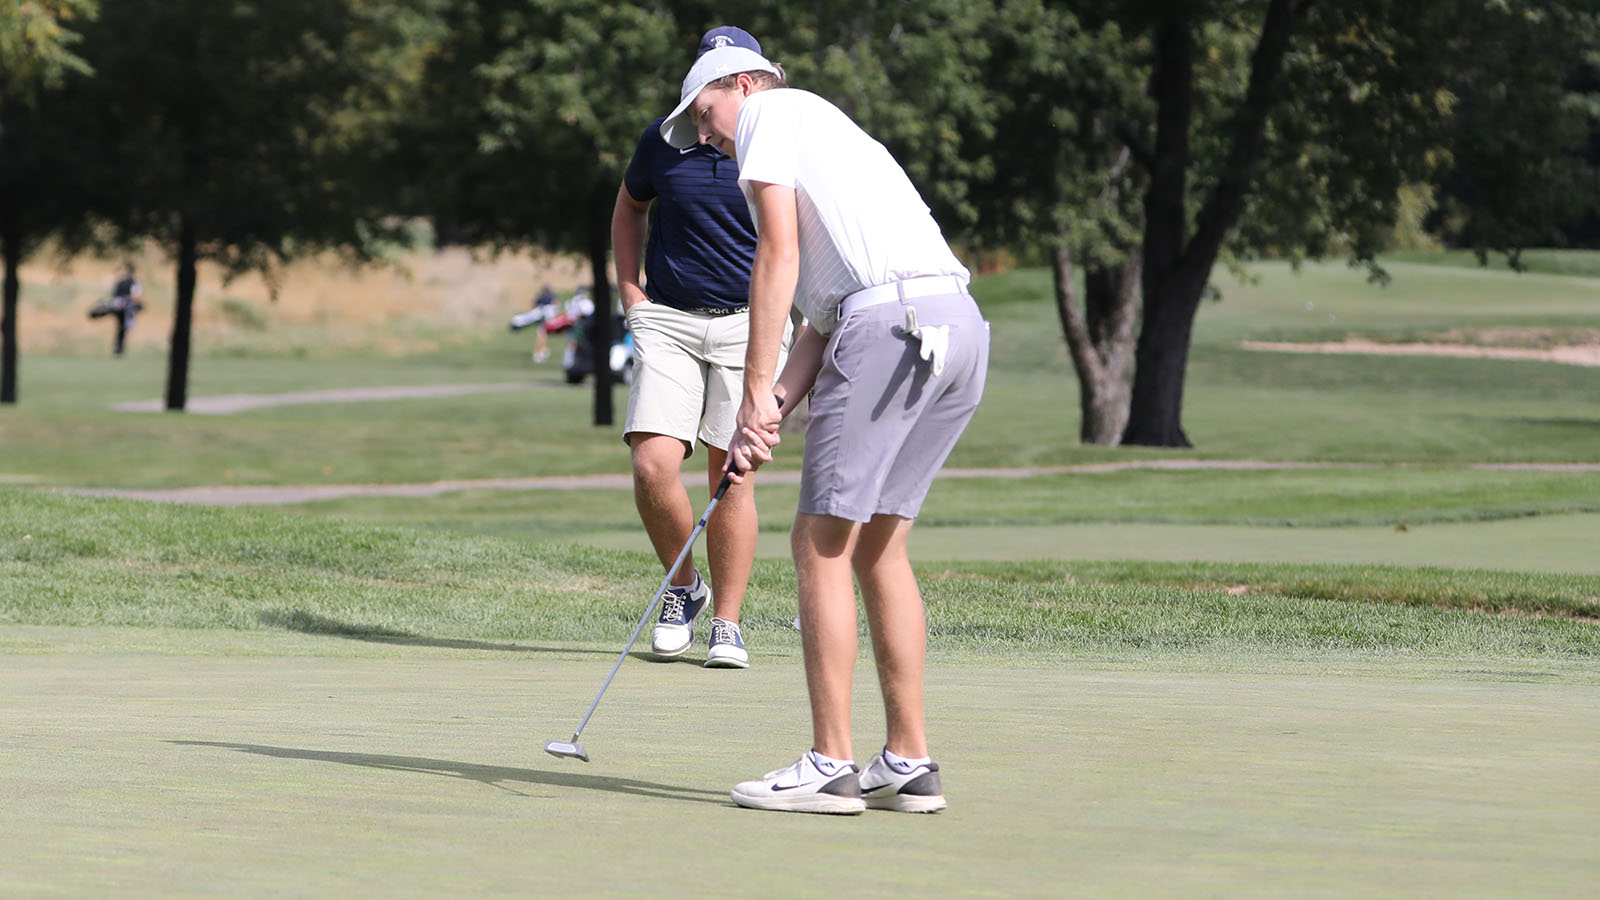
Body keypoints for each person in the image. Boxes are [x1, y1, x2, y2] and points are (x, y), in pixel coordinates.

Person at [659, 40, 989, 813]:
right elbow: (822, 313)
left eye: (706, 116)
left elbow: (774, 255)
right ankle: (907, 762)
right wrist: (770, 402)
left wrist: (743, 395)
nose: (705, 137)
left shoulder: (771, 113)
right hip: (955, 327)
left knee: (818, 541)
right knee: (878, 545)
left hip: (890, 329)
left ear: (743, 84)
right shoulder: (832, 137)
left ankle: (829, 763)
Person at [612, 26, 793, 669]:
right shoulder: (667, 142)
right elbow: (629, 207)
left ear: (741, 83)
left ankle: (727, 622)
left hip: (751, 325)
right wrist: (632, 294)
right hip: (670, 319)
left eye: (708, 107)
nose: (702, 122)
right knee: (652, 464)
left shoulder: (778, 145)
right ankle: (683, 587)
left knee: (731, 474)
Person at [88, 263, 144, 356]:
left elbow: (114, 293)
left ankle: (118, 348)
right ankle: (119, 348)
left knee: (120, 327)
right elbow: (135, 296)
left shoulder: (120, 281)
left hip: (117, 305)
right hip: (126, 308)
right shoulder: (134, 282)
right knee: (124, 328)